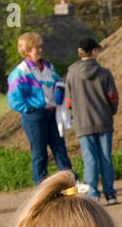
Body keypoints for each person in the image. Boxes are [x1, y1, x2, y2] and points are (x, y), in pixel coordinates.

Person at [7, 32, 75, 185]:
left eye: (39, 47)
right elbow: (13, 98)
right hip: (35, 116)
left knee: (60, 149)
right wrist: (30, 108)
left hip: (51, 113)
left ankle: (71, 183)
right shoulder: (21, 72)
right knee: (40, 153)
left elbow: (57, 81)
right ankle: (41, 188)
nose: (39, 50)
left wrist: (59, 90)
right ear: (26, 51)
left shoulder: (48, 67)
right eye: (35, 48)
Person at [65, 37, 119, 205]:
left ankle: (93, 193)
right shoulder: (105, 73)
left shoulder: (72, 73)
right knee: (106, 159)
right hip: (103, 120)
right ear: (94, 51)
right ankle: (110, 194)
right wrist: (111, 111)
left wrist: (77, 114)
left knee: (89, 160)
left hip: (83, 123)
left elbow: (68, 102)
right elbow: (113, 97)